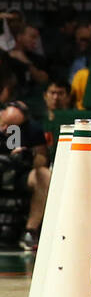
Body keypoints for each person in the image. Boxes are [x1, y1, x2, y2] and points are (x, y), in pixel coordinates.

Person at [0, 100, 50, 250]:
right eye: (4, 123)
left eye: (11, 126)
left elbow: (43, 159)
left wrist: (29, 157)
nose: (5, 129)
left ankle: (30, 231)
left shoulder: (33, 129)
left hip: (18, 174)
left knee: (44, 175)